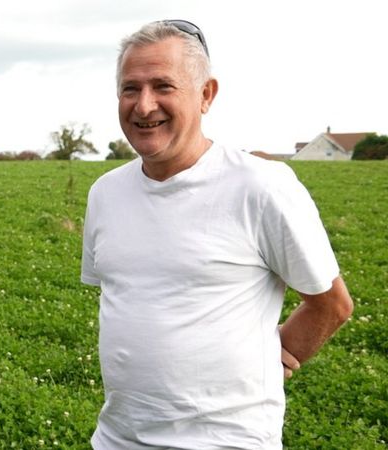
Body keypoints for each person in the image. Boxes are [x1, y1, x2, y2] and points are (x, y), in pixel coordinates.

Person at [81, 20, 353, 449]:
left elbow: (331, 304)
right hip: (117, 438)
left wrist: (284, 356)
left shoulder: (261, 186)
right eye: (130, 89)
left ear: (206, 94)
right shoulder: (106, 192)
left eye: (163, 86)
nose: (144, 105)